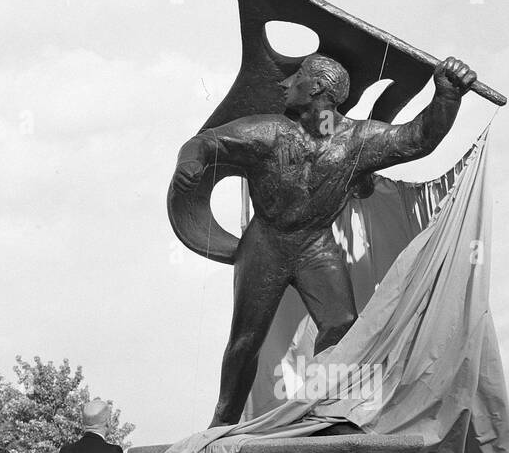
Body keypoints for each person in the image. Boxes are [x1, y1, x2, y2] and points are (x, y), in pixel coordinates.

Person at [172, 53, 478, 426]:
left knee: (341, 327)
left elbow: (418, 138)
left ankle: (325, 409)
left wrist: (447, 97)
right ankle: (221, 425)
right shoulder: (269, 131)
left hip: (315, 245)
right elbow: (204, 143)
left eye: (296, 76)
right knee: (245, 341)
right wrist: (190, 162)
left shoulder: (358, 140)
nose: (285, 85)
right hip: (266, 242)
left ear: (316, 87)